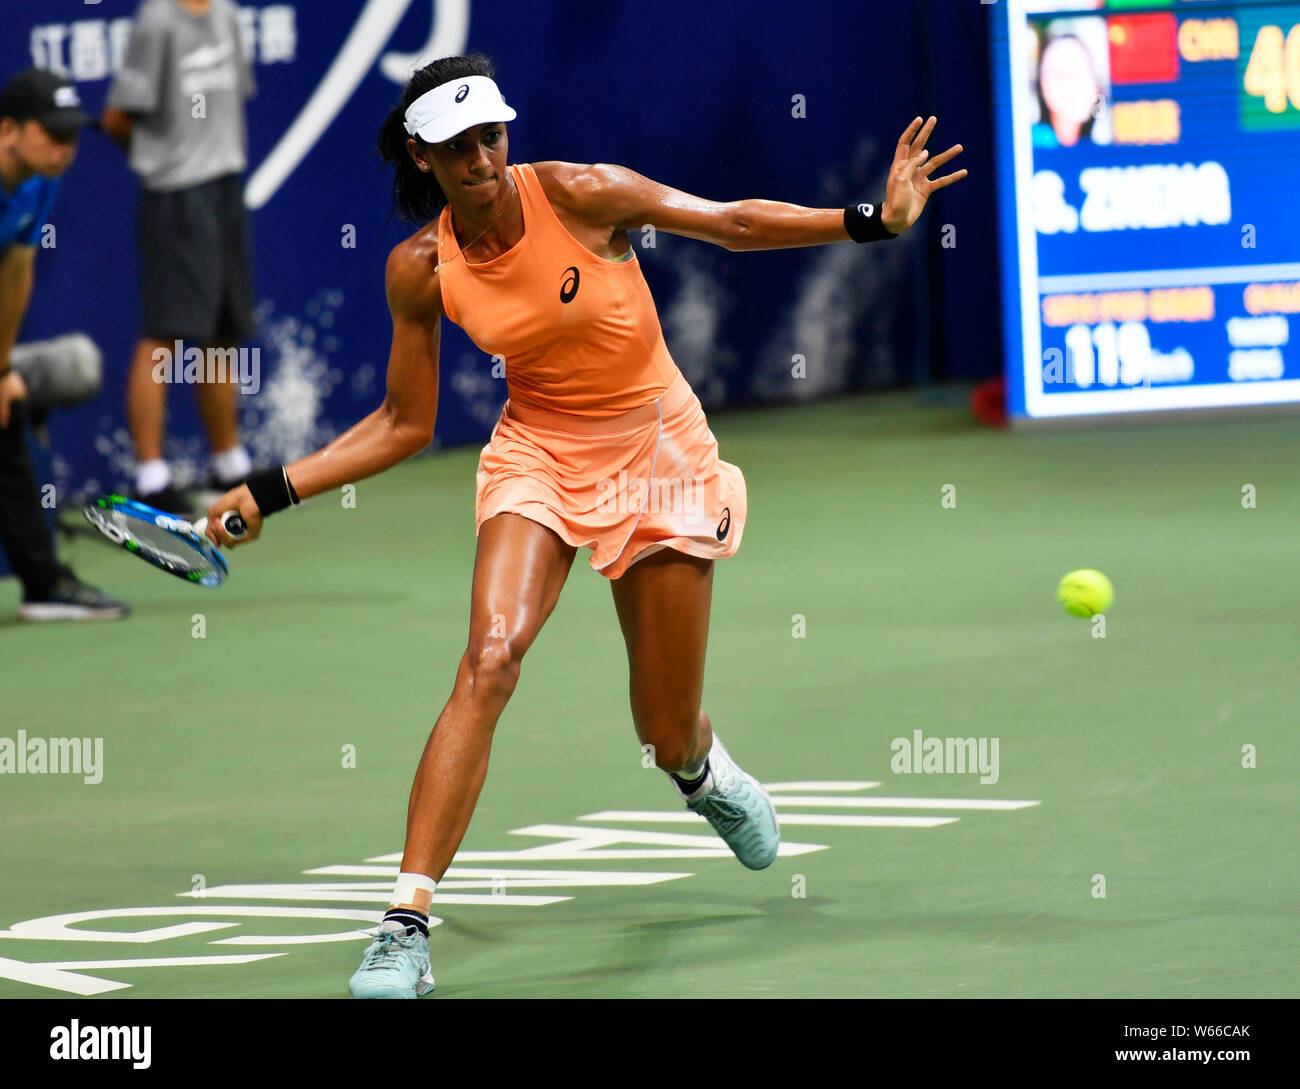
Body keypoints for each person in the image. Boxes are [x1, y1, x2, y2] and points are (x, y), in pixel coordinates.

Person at [203, 53, 966, 998]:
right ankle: (406, 922)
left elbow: (727, 225)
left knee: (663, 726)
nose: (483, 157)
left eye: (492, 135)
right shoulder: (418, 269)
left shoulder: (583, 194)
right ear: (422, 155)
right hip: (538, 454)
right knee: (488, 660)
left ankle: (701, 772)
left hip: (658, 451)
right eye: (459, 145)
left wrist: (872, 220)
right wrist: (270, 490)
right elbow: (406, 423)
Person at [101, 0, 258, 516]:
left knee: (220, 329)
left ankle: (227, 466)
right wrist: (162, 162)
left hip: (224, 187)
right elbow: (117, 117)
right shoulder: (157, 22)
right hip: (175, 194)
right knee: (165, 332)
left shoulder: (228, 17)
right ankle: (151, 477)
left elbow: (229, 101)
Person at [0, 68, 130, 622]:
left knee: (6, 417)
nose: (66, 149)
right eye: (52, 135)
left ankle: (43, 584)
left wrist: (1, 366)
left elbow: (16, 270)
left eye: (72, 136)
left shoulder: (40, 180)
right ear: (8, 130)